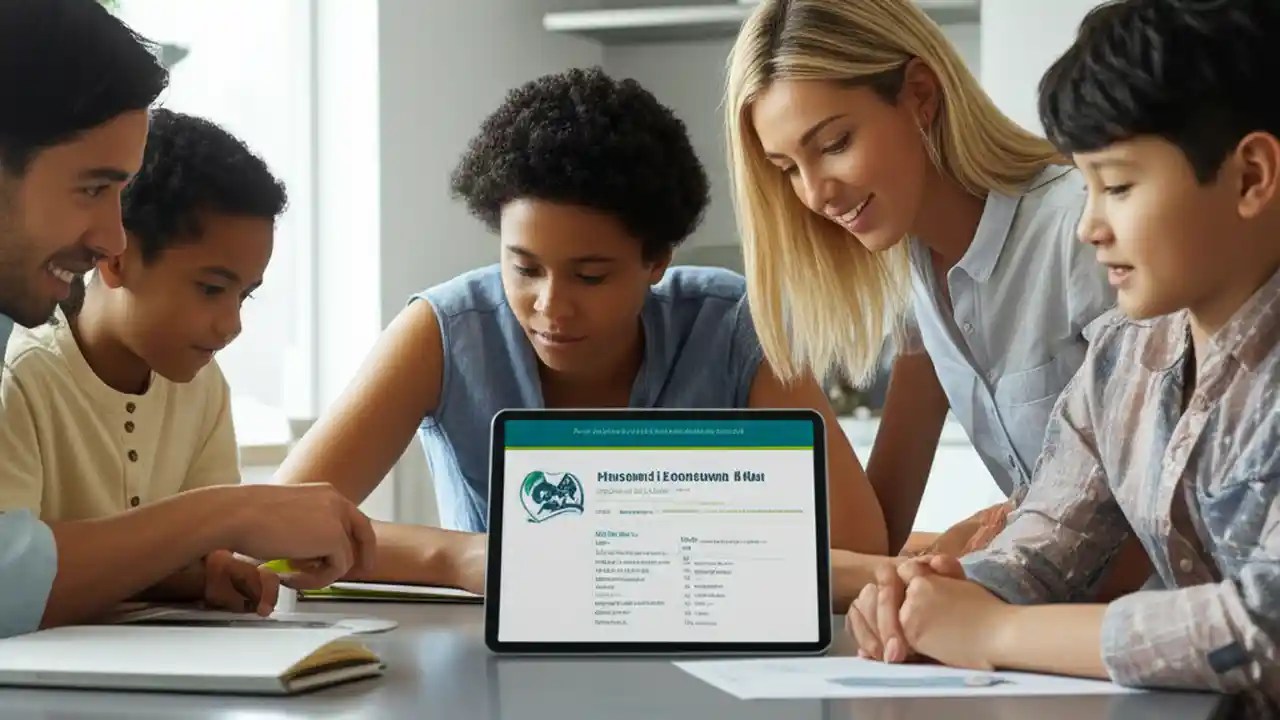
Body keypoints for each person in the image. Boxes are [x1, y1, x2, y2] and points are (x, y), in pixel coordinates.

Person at [277, 67, 889, 595]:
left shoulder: (731, 325)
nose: (551, 306)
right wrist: (463, 557)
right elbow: (276, 527)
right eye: (524, 268)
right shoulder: (445, 330)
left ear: (657, 261)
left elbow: (858, 549)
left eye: (591, 276)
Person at [846, 0, 1280, 713]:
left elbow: (1263, 629)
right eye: (1085, 187)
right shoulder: (1122, 358)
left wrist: (999, 629)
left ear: (1251, 176)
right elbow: (1047, 546)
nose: (1089, 227)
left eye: (1118, 186)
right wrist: (939, 596)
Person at [723, 0, 1126, 591]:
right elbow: (876, 532)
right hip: (1043, 623)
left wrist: (977, 571)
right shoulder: (920, 274)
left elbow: (1148, 511)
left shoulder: (1082, 231)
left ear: (919, 95)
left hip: (1150, 629)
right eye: (787, 166)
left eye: (834, 143)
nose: (815, 194)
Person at [0, 0, 373, 638]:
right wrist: (229, 512)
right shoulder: (26, 367)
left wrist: (194, 566)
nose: (112, 237)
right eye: (92, 189)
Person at [0, 108, 286, 610]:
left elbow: (198, 547)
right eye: (212, 289)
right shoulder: (21, 377)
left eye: (244, 296)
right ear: (116, 259)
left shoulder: (202, 386)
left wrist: (208, 573)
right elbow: (12, 578)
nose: (231, 324)